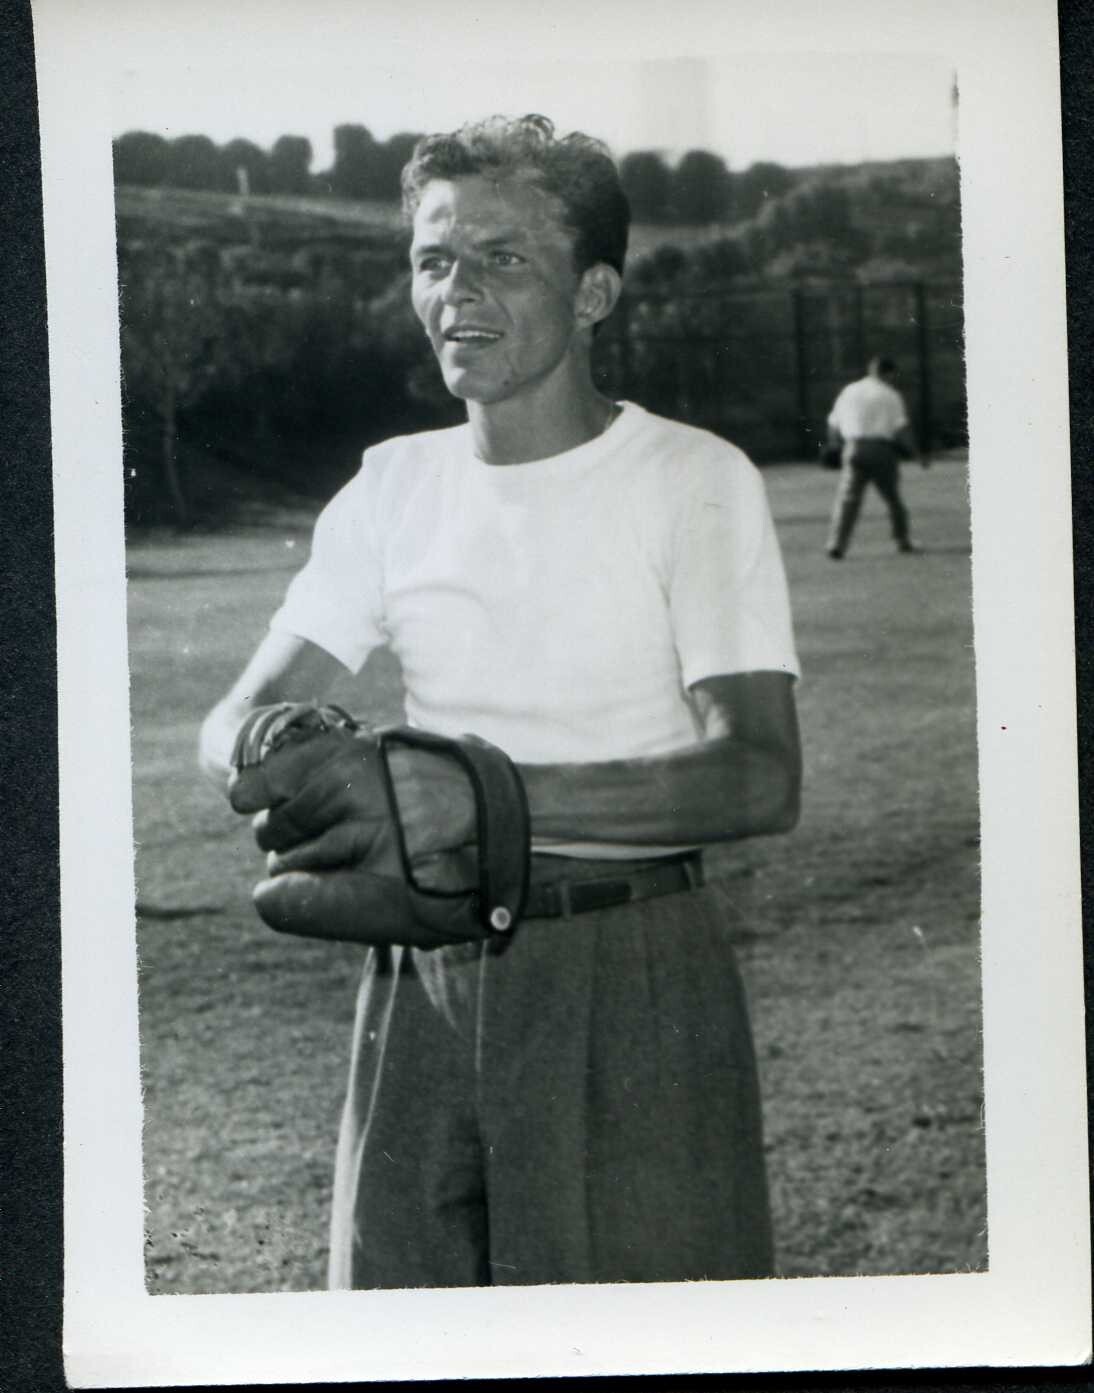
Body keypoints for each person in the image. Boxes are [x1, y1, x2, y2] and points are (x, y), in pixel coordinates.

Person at [199, 114, 802, 1289]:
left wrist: (478, 796)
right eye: (433, 259)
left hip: (626, 970)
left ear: (592, 293)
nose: (456, 292)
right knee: (401, 1345)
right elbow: (227, 725)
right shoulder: (391, 484)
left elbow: (759, 775)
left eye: (501, 257)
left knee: (645, 1349)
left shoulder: (690, 478)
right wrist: (268, 747)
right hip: (419, 976)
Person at [824, 355, 927, 559]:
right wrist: (917, 455)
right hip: (881, 449)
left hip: (853, 447)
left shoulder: (850, 390)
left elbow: (833, 422)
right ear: (889, 373)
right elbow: (901, 429)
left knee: (848, 499)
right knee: (892, 498)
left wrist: (835, 445)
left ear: (871, 370)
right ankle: (903, 540)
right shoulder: (890, 394)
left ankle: (836, 544)